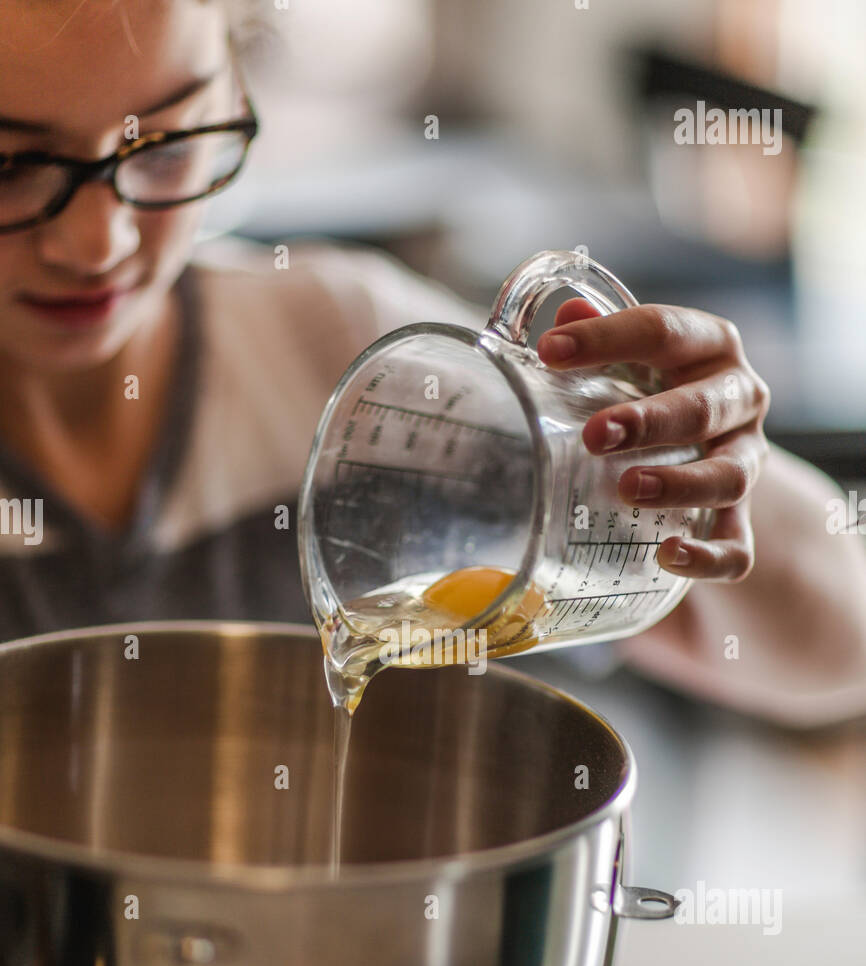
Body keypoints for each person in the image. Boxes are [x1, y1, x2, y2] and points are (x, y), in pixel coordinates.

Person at [0, 0, 863, 727]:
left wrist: (708, 482)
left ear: (236, 83)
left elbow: (842, 651)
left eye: (163, 146)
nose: (97, 242)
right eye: (9, 165)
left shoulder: (342, 353)